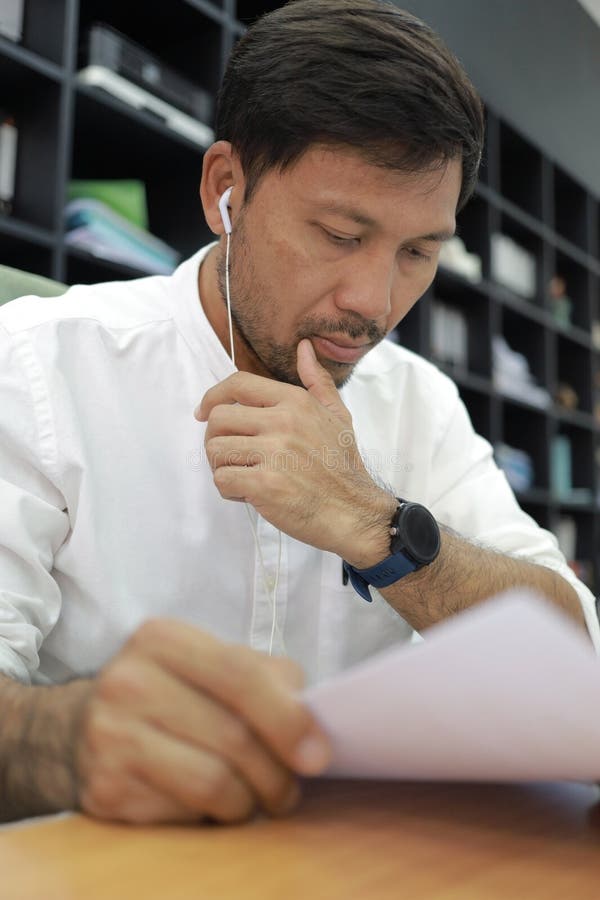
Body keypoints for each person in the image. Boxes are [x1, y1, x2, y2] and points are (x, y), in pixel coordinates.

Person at [0, 0, 597, 826]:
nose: (375, 305)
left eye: (418, 252)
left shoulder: (418, 398)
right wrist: (67, 738)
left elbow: (576, 656)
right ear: (226, 190)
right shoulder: (35, 366)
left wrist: (379, 526)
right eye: (341, 234)